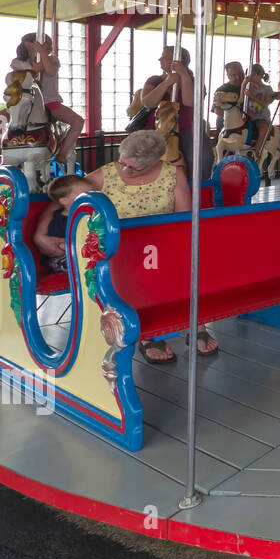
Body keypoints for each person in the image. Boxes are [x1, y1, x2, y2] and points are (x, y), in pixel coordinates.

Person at [84, 130, 216, 363]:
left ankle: (192, 320)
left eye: (134, 167)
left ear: (154, 162)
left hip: (161, 241)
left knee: (188, 263)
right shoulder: (105, 175)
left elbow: (183, 218)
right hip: (122, 247)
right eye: (122, 162)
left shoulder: (172, 174)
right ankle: (149, 330)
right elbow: (74, 198)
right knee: (145, 271)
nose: (125, 170)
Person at [140, 46, 208, 185]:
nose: (160, 59)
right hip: (158, 127)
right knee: (138, 154)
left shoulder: (196, 81)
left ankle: (197, 185)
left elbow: (190, 101)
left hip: (186, 126)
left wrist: (183, 75)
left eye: (165, 56)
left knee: (202, 156)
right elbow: (148, 102)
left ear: (178, 59)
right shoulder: (154, 80)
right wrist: (167, 83)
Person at [20, 33, 85, 164]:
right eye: (46, 43)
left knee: (78, 121)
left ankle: (62, 154)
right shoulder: (20, 62)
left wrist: (42, 52)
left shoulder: (53, 60)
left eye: (50, 43)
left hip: (50, 103)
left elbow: (51, 71)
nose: (49, 46)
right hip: (28, 103)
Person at [32, 174, 94, 274]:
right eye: (85, 195)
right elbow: (60, 246)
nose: (91, 198)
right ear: (64, 201)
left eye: (92, 193)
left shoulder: (88, 215)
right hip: (62, 258)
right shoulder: (60, 221)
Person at [241, 63, 280, 157]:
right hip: (248, 116)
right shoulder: (248, 87)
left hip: (260, 117)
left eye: (252, 75)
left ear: (259, 75)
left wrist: (252, 96)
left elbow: (265, 104)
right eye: (248, 75)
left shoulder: (267, 89)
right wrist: (243, 84)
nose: (250, 77)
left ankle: (256, 152)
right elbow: (241, 99)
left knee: (263, 129)